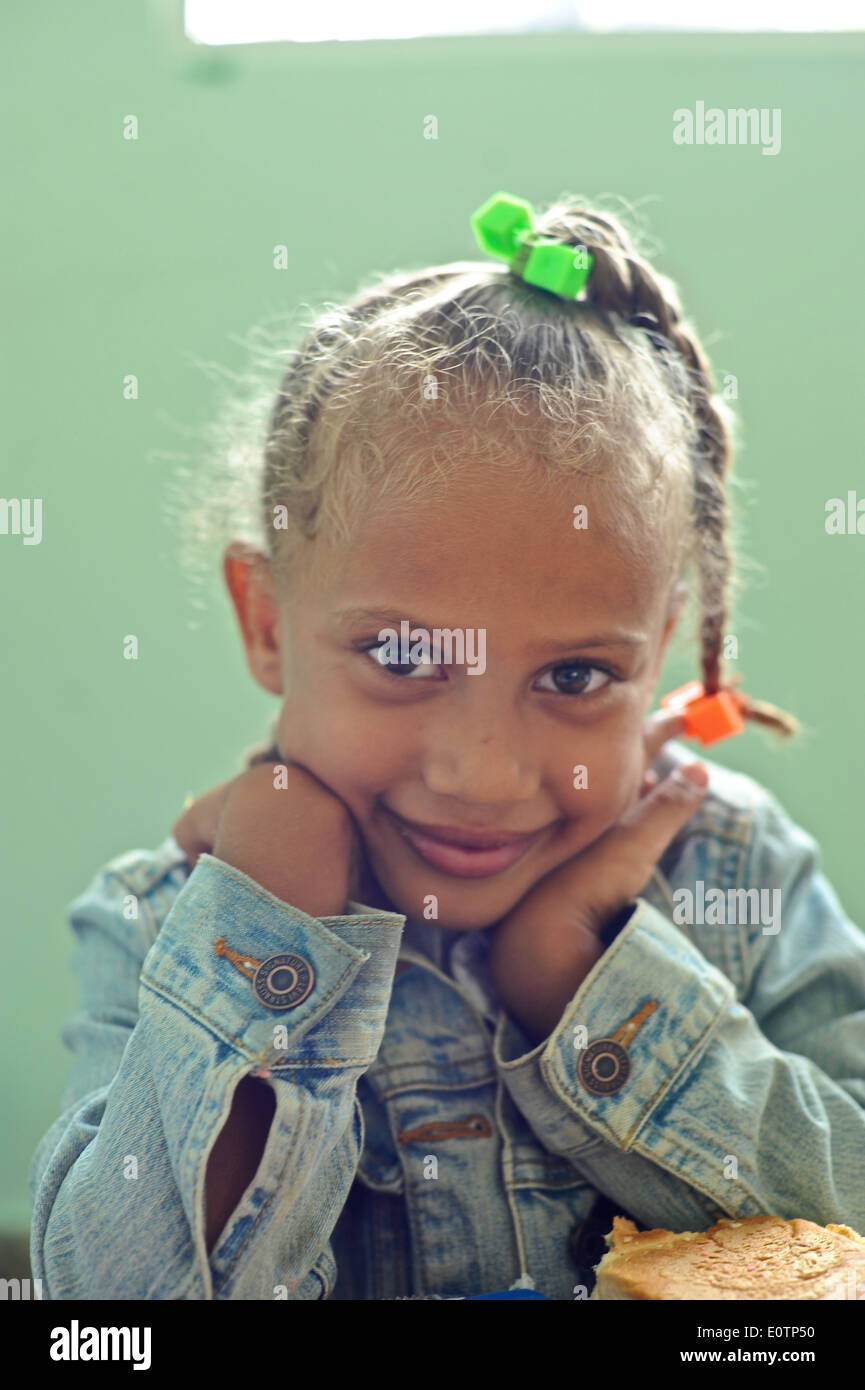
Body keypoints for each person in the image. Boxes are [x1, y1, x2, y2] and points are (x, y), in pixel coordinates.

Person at [28, 192, 865, 1300]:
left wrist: (581, 984)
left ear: (659, 649)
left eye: (574, 676)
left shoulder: (734, 874)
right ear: (267, 621)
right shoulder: (167, 920)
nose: (482, 773)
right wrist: (269, 923)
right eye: (404, 656)